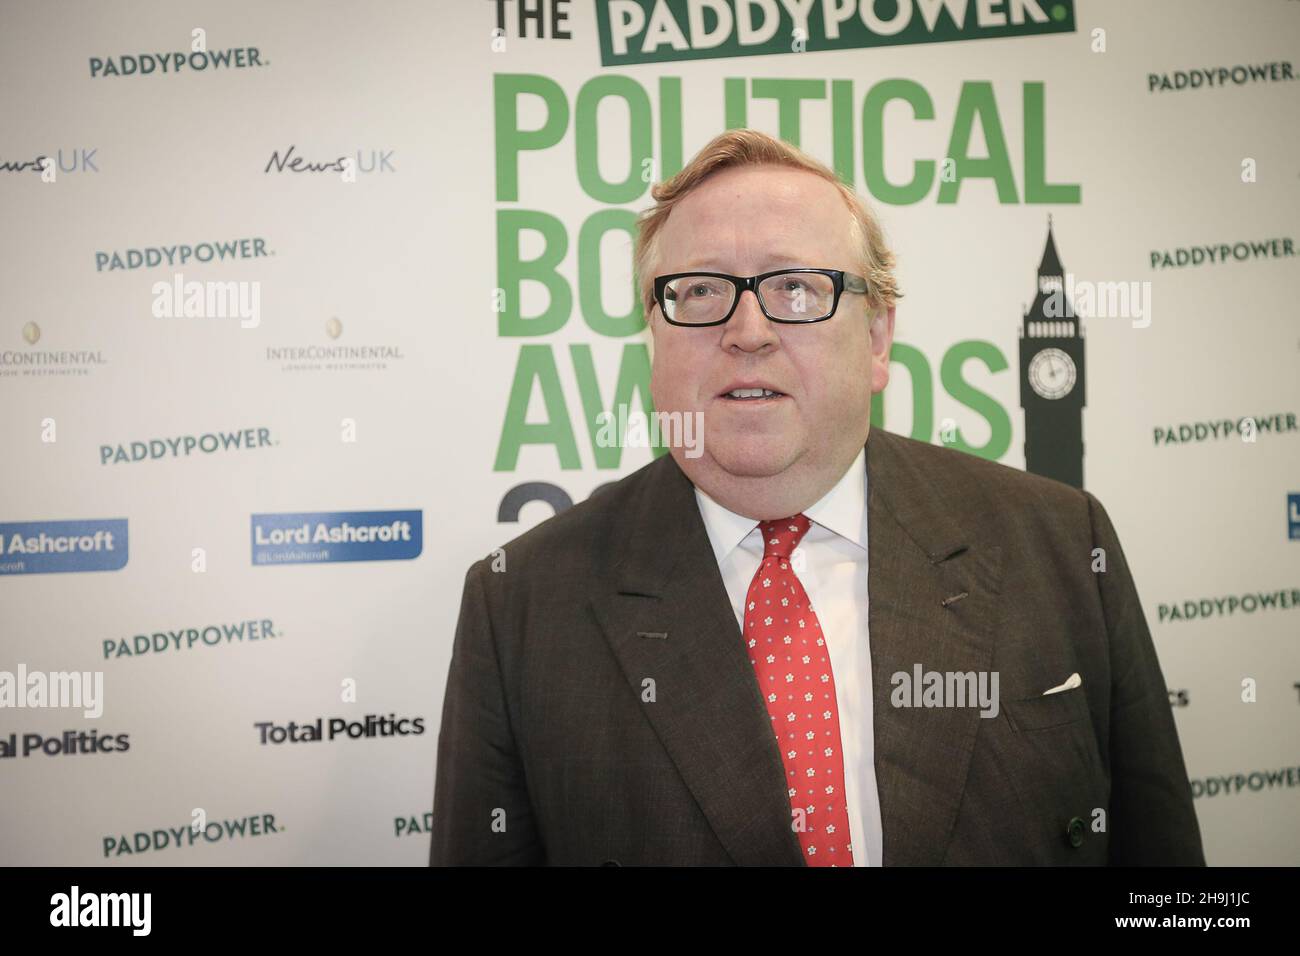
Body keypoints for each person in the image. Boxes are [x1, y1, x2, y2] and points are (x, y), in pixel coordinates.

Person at [430, 129, 1205, 866]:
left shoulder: (1062, 544)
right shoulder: (523, 605)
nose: (747, 328)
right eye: (699, 291)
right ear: (652, 336)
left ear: (876, 338)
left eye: (796, 288)